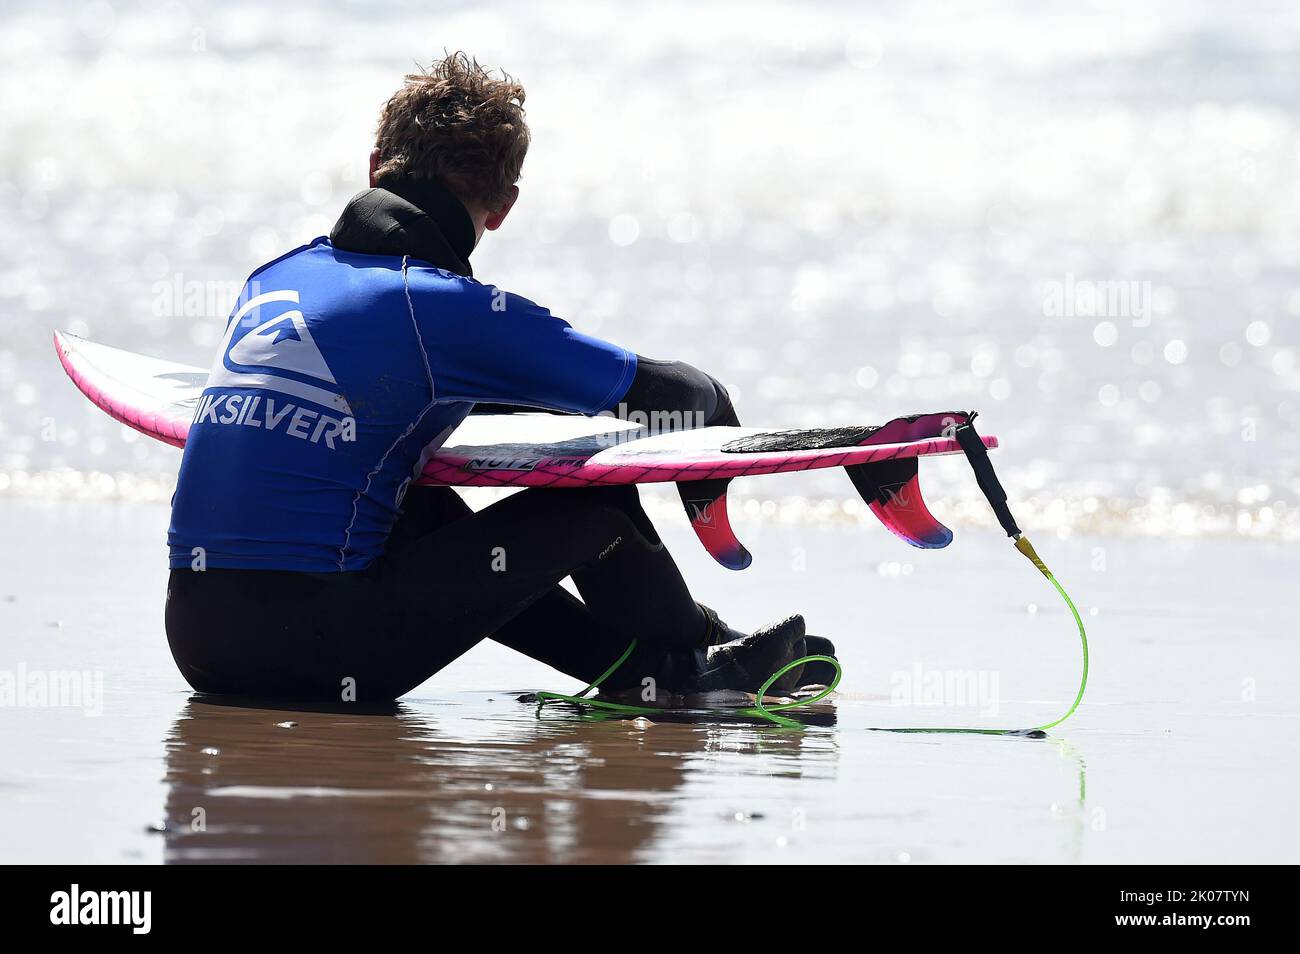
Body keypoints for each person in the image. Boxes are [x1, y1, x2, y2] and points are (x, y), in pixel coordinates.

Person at [164, 52, 836, 705]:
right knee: (598, 509)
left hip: (198, 642)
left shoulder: (271, 281)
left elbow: (389, 393)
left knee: (403, 500)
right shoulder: (447, 309)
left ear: (374, 169)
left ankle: (640, 666)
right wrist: (710, 457)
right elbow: (683, 397)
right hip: (320, 654)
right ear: (505, 204)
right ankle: (693, 667)